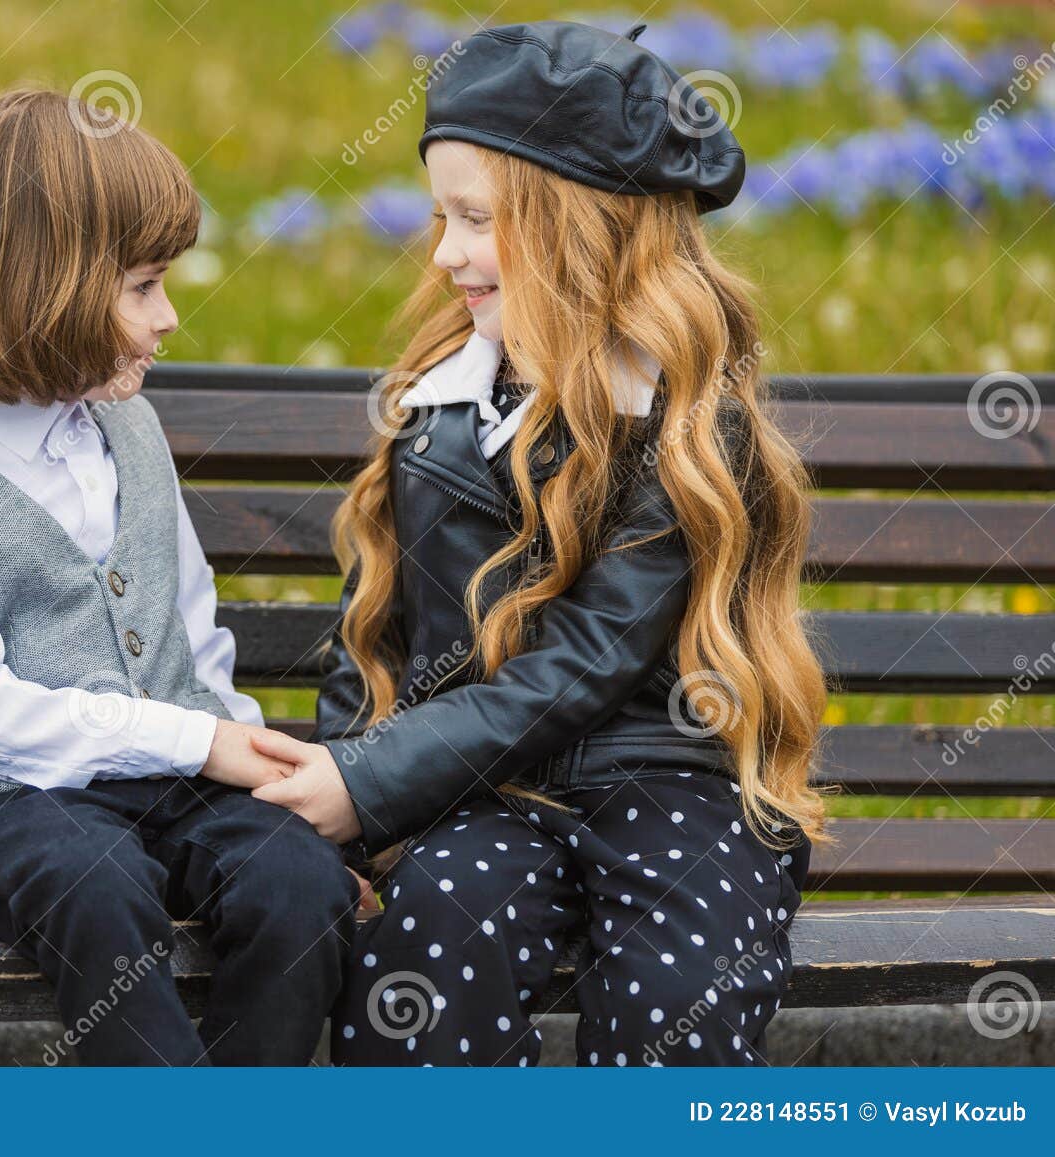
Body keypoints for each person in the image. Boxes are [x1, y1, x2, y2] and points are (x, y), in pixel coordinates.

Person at [250, 21, 832, 1066]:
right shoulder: (437, 405)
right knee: (423, 951)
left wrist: (373, 778)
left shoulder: (683, 423)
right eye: (440, 216)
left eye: (476, 218)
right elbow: (371, 629)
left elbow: (582, 663)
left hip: (664, 775)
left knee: (680, 989)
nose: (443, 253)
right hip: (482, 794)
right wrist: (343, 790)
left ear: (579, 228)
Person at [0, 88, 359, 1066]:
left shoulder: (128, 428)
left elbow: (188, 624)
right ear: (40, 289)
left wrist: (241, 757)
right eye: (143, 287)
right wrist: (191, 738)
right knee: (97, 882)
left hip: (172, 774)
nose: (170, 316)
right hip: (10, 798)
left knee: (297, 882)